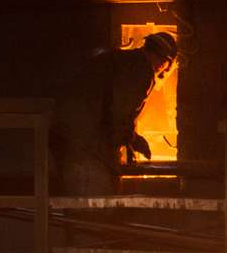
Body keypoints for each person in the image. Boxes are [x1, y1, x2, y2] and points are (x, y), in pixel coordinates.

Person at [49, 31, 177, 196]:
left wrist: (129, 138)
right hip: (87, 146)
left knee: (76, 203)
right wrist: (131, 138)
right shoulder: (141, 71)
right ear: (164, 62)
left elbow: (111, 105)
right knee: (95, 208)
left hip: (65, 135)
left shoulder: (118, 60)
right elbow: (119, 114)